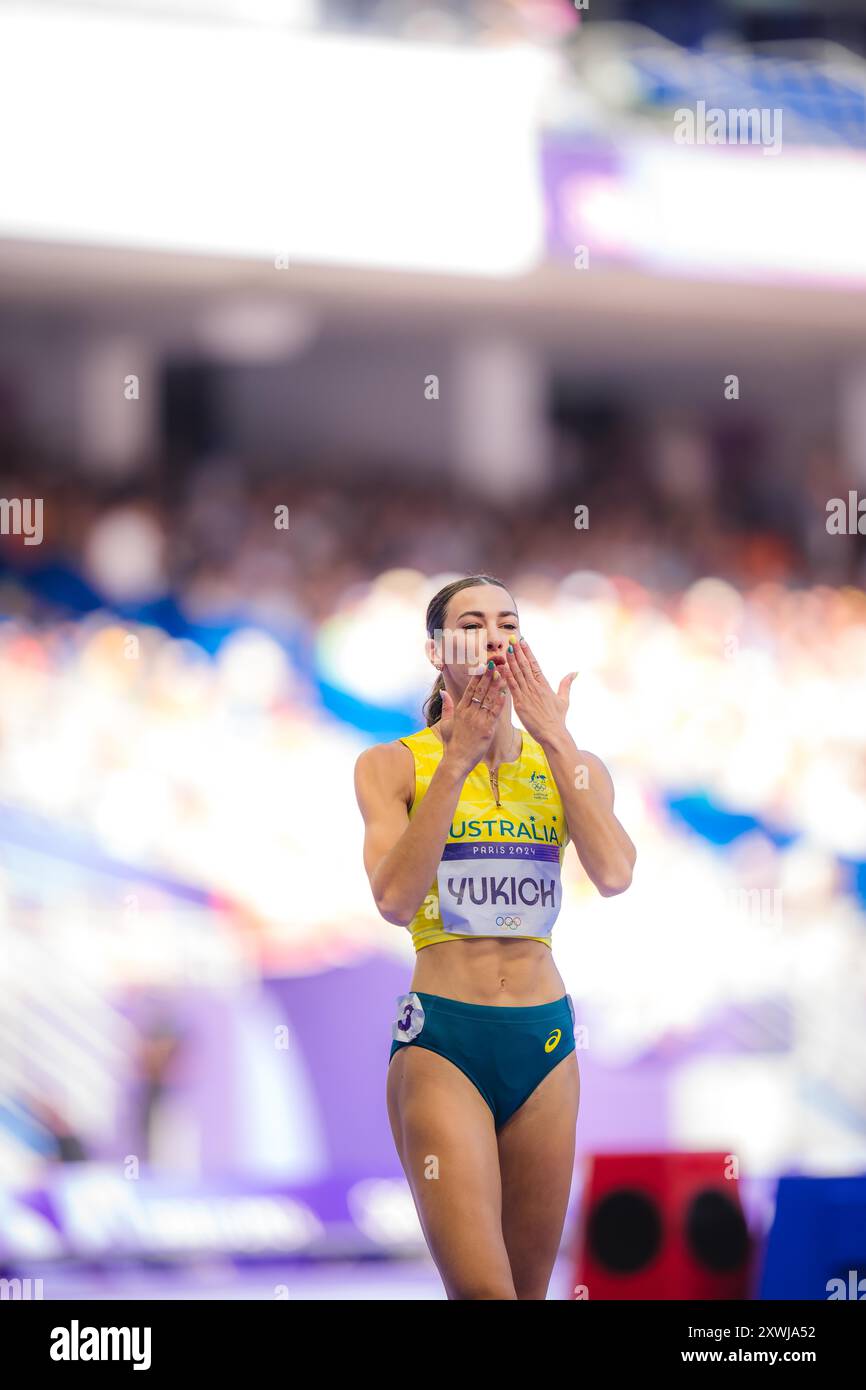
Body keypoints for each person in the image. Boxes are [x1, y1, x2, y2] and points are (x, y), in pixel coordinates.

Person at [354, 573, 636, 1299]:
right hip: (446, 1043)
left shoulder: (570, 761)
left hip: (543, 1042)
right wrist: (455, 761)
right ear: (435, 649)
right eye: (471, 622)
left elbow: (614, 872)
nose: (492, 635)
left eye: (507, 622)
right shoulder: (392, 765)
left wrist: (556, 735)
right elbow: (392, 898)